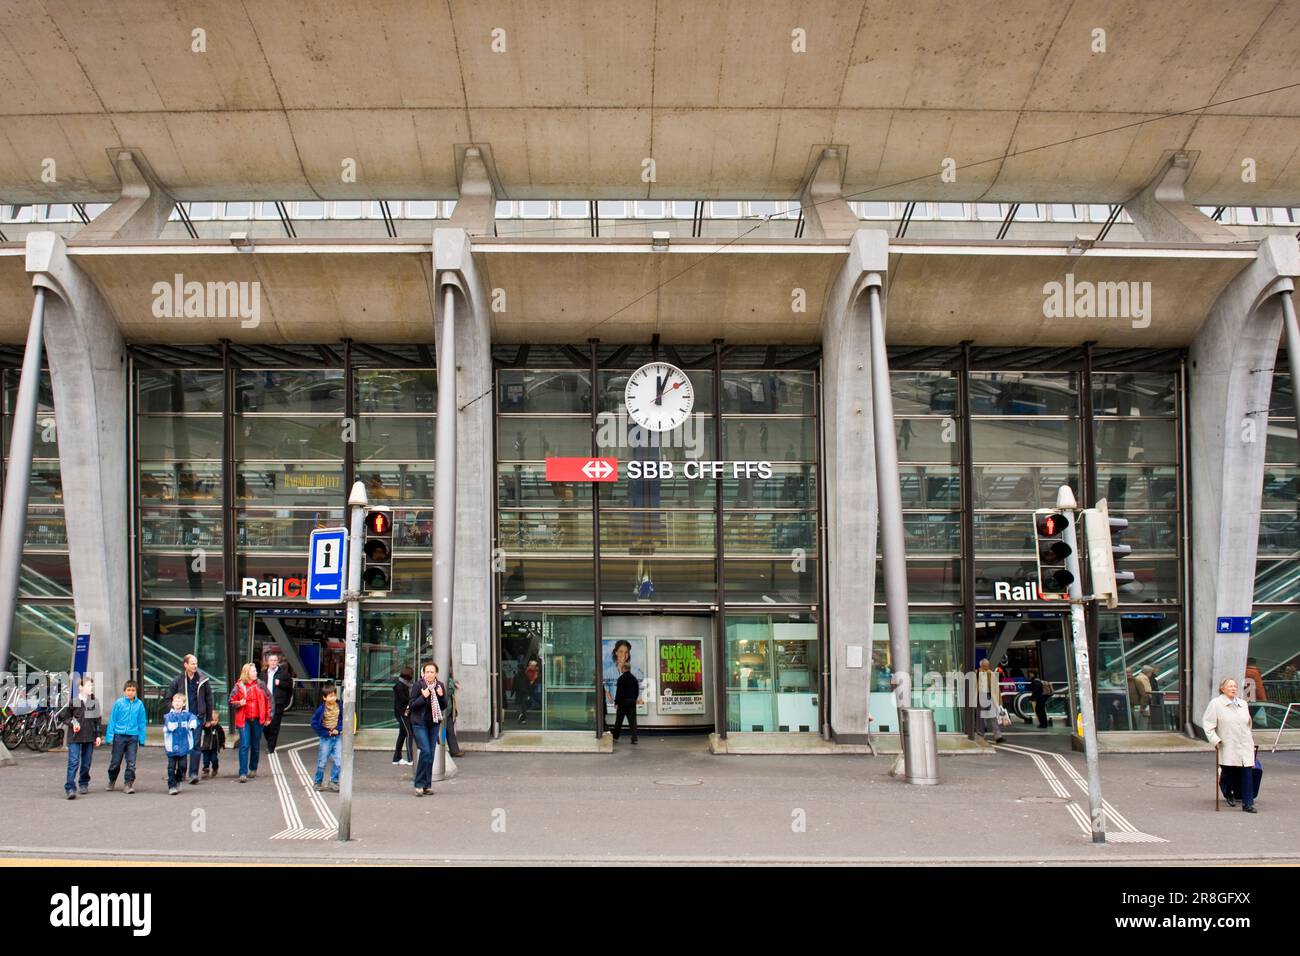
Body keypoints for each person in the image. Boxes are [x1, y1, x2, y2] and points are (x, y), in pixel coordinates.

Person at [1203, 677, 1257, 813]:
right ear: (1222, 689)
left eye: (1235, 686)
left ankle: (1248, 804)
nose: (1233, 689)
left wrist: (1251, 741)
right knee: (1227, 773)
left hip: (1244, 743)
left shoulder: (1243, 703)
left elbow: (1248, 723)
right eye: (1230, 686)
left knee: (1247, 773)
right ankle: (1228, 792)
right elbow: (1208, 724)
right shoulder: (1216, 704)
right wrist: (1215, 740)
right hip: (1227, 744)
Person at [165, 654, 213, 786]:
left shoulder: (203, 679)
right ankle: (182, 772)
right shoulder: (178, 680)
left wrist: (208, 718)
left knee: (196, 745)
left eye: (196, 663)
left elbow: (208, 698)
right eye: (192, 663)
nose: (195, 666)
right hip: (181, 719)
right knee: (183, 746)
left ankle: (193, 774)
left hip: (197, 718)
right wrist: (173, 712)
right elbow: (168, 698)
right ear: (185, 665)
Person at [407, 662, 447, 796]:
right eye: (427, 671)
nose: (430, 674)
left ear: (436, 673)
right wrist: (423, 696)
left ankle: (427, 785)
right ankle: (418, 784)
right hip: (419, 723)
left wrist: (441, 696)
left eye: (432, 672)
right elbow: (412, 705)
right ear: (423, 673)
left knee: (431, 755)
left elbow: (444, 705)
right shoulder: (418, 685)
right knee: (425, 751)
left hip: (434, 723)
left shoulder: (440, 685)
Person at [229, 662, 271, 783]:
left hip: (258, 719)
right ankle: (242, 772)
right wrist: (239, 703)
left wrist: (269, 716)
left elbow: (269, 700)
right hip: (244, 719)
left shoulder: (261, 684)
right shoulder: (239, 685)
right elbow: (231, 701)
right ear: (247, 673)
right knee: (244, 745)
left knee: (256, 746)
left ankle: (253, 767)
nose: (256, 673)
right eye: (253, 671)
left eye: (255, 671)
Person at [104, 680, 147, 794]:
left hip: (133, 737)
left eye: (133, 690)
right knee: (115, 762)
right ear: (124, 691)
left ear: (136, 692)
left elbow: (142, 722)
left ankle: (128, 783)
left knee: (131, 762)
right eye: (128, 690)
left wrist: (141, 738)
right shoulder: (119, 703)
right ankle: (112, 780)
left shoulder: (139, 704)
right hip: (119, 736)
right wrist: (109, 736)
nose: (130, 692)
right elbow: (113, 720)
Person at [64, 676, 102, 799]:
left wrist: (98, 736)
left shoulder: (94, 702)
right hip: (75, 737)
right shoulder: (73, 701)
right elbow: (65, 717)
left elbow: (97, 721)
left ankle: (83, 783)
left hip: (89, 737)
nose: (91, 688)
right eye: (89, 685)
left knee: (86, 763)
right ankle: (70, 788)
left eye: (92, 686)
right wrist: (72, 723)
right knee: (74, 762)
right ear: (81, 687)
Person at [162, 692, 199, 796]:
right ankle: (172, 786)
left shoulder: (187, 715)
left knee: (182, 767)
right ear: (172, 703)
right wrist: (169, 727)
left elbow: (194, 719)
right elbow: (167, 725)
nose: (177, 703)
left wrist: (192, 724)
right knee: (171, 767)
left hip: (183, 745)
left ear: (184, 704)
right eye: (175, 701)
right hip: (172, 746)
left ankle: (178, 780)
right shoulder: (168, 716)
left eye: (180, 701)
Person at [310, 683, 342, 792]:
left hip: (336, 737)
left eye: (334, 695)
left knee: (339, 760)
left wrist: (338, 728)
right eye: (330, 696)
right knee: (322, 761)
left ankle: (334, 781)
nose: (333, 697)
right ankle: (317, 782)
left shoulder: (340, 706)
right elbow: (314, 723)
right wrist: (324, 733)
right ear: (324, 698)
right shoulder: (321, 709)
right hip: (326, 738)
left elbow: (341, 719)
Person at [262, 652, 294, 753]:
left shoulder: (283, 674)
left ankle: (271, 747)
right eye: (271, 660)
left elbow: (290, 687)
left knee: (274, 725)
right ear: (268, 662)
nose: (273, 662)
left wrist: (280, 684)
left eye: (275, 660)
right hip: (265, 702)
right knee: (265, 725)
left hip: (277, 703)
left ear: (278, 662)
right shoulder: (262, 673)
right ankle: (270, 741)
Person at [612, 657, 639, 745]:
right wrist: (634, 699)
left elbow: (619, 692)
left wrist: (616, 702)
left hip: (623, 702)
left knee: (619, 720)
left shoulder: (621, 679)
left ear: (624, 668)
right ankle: (634, 738)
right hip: (631, 701)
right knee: (632, 721)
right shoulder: (634, 679)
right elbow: (637, 691)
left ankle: (615, 737)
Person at [975, 659, 1004, 743]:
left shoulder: (991, 673)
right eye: (985, 665)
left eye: (987, 665)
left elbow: (996, 687)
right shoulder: (976, 673)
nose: (986, 667)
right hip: (980, 696)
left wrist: (999, 699)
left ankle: (998, 736)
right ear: (981, 665)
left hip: (989, 696)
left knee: (993, 717)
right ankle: (981, 735)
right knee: (980, 717)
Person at [392, 666, 414, 766]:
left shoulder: (406, 685)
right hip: (402, 713)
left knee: (402, 735)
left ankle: (396, 758)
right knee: (409, 733)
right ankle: (410, 759)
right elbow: (404, 699)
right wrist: (413, 698)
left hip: (404, 713)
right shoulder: (400, 685)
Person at [200, 711, 226, 778]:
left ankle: (215, 768)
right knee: (206, 760)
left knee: (214, 759)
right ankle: (206, 771)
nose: (213, 722)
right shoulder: (207, 727)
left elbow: (222, 736)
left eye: (215, 720)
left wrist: (222, 744)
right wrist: (205, 724)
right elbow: (202, 727)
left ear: (218, 720)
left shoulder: (218, 727)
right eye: (212, 720)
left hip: (214, 747)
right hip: (206, 747)